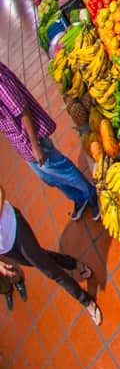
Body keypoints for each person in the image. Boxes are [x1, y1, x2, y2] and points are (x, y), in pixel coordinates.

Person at [0, 61, 99, 221]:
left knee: (59, 168)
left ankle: (90, 193)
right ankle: (79, 197)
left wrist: (34, 145)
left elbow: (21, 110)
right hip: (20, 143)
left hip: (31, 139)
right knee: (49, 178)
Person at [0, 182, 101, 325]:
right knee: (40, 259)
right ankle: (74, 264)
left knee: (50, 270)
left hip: (14, 226)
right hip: (6, 248)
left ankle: (85, 300)